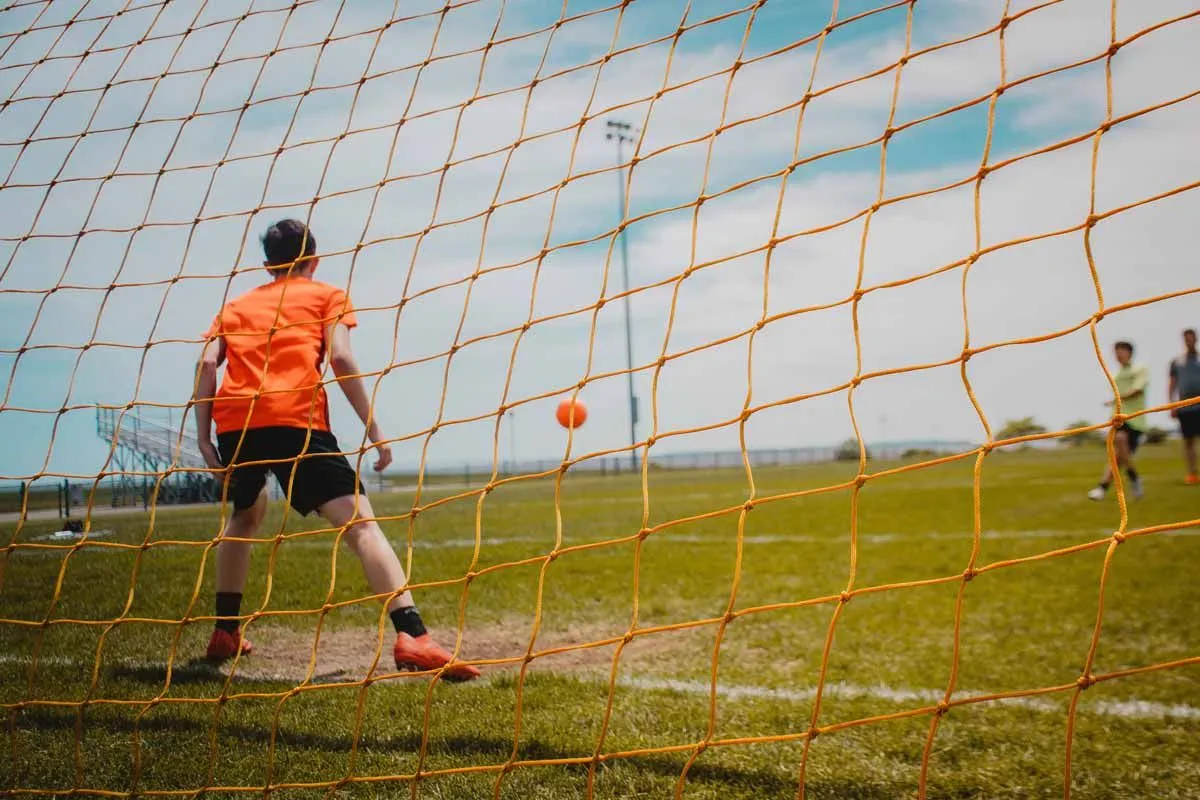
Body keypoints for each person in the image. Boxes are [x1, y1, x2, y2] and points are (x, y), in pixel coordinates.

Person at [191, 218, 479, 681]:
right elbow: (341, 358)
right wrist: (375, 430)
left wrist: (205, 442)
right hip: (295, 420)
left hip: (236, 425)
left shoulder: (236, 305)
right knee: (361, 524)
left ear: (268, 266)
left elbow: (207, 363)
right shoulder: (327, 294)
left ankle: (225, 631)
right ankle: (414, 635)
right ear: (315, 260)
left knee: (244, 516)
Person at [1088, 340, 1148, 501]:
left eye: (1121, 351)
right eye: (1116, 352)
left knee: (1118, 457)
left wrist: (1115, 399)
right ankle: (1104, 488)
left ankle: (1128, 479)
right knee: (1118, 449)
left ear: (1129, 352)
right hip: (1118, 418)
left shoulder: (1139, 369)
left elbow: (1138, 390)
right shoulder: (1115, 374)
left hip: (1135, 419)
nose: (1118, 355)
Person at [1168, 327, 1199, 485]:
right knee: (1188, 441)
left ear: (1196, 339)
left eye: (1192, 337)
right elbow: (1172, 384)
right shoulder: (1177, 361)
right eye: (1186, 338)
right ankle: (1193, 473)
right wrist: (1172, 404)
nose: (1189, 340)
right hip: (1185, 406)